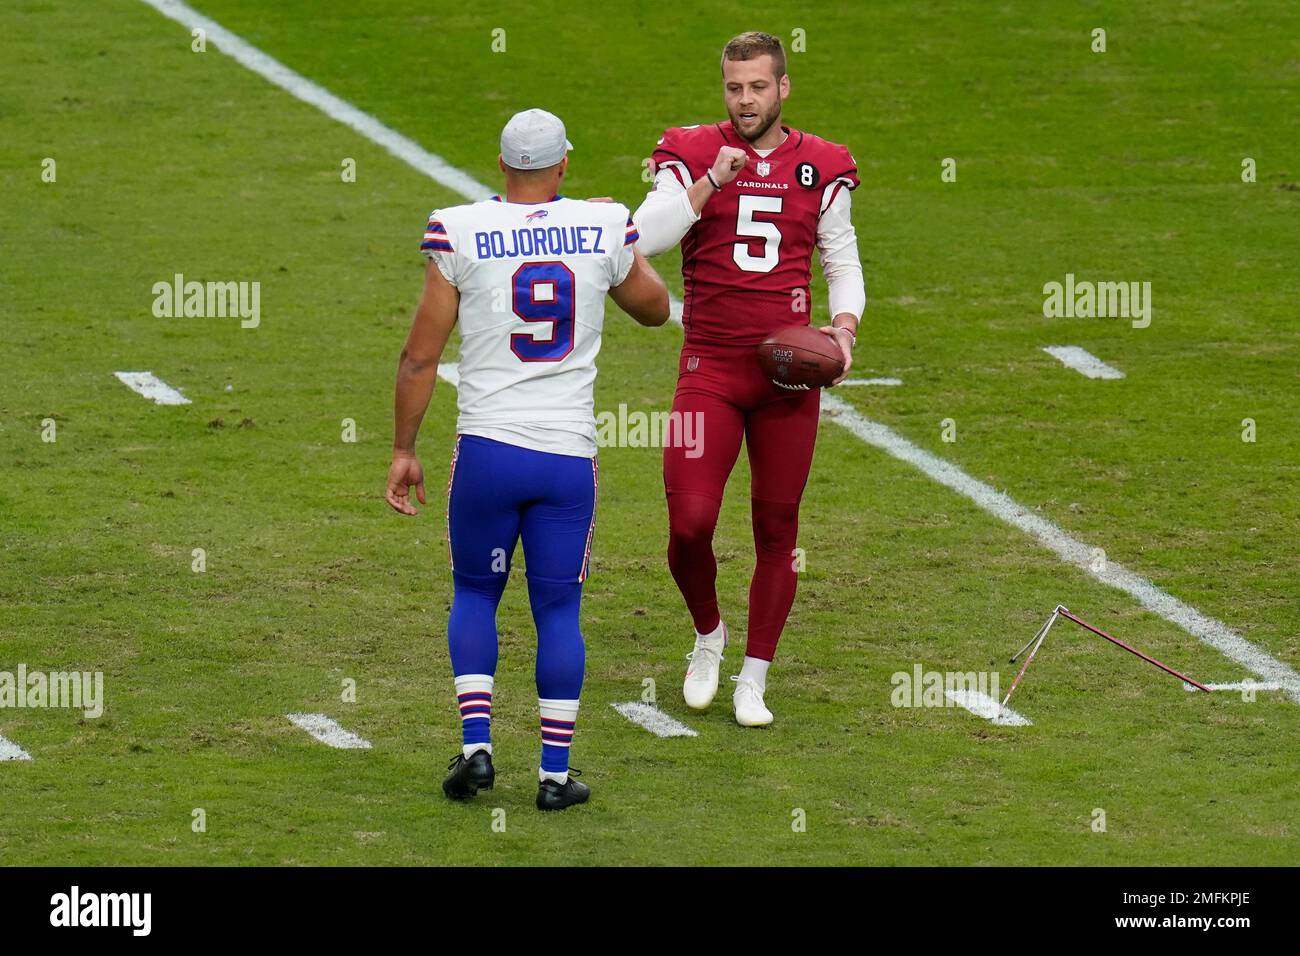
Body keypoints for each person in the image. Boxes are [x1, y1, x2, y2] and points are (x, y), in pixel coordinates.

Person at [386, 108, 670, 810]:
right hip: (564, 460)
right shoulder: (602, 226)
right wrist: (616, 238)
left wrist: (402, 449)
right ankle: (552, 773)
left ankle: (478, 747)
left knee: (476, 594)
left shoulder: (459, 229)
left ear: (501, 163)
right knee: (559, 609)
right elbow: (657, 309)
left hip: (487, 451)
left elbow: (420, 356)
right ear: (563, 164)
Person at [633, 32, 866, 726]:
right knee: (691, 522)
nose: (745, 101)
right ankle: (708, 634)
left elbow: (841, 259)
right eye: (734, 87)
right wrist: (711, 182)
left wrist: (845, 330)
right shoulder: (693, 152)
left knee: (778, 525)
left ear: (783, 87)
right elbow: (643, 239)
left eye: (758, 87)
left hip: (787, 376)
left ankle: (754, 675)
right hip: (710, 366)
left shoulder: (821, 165)